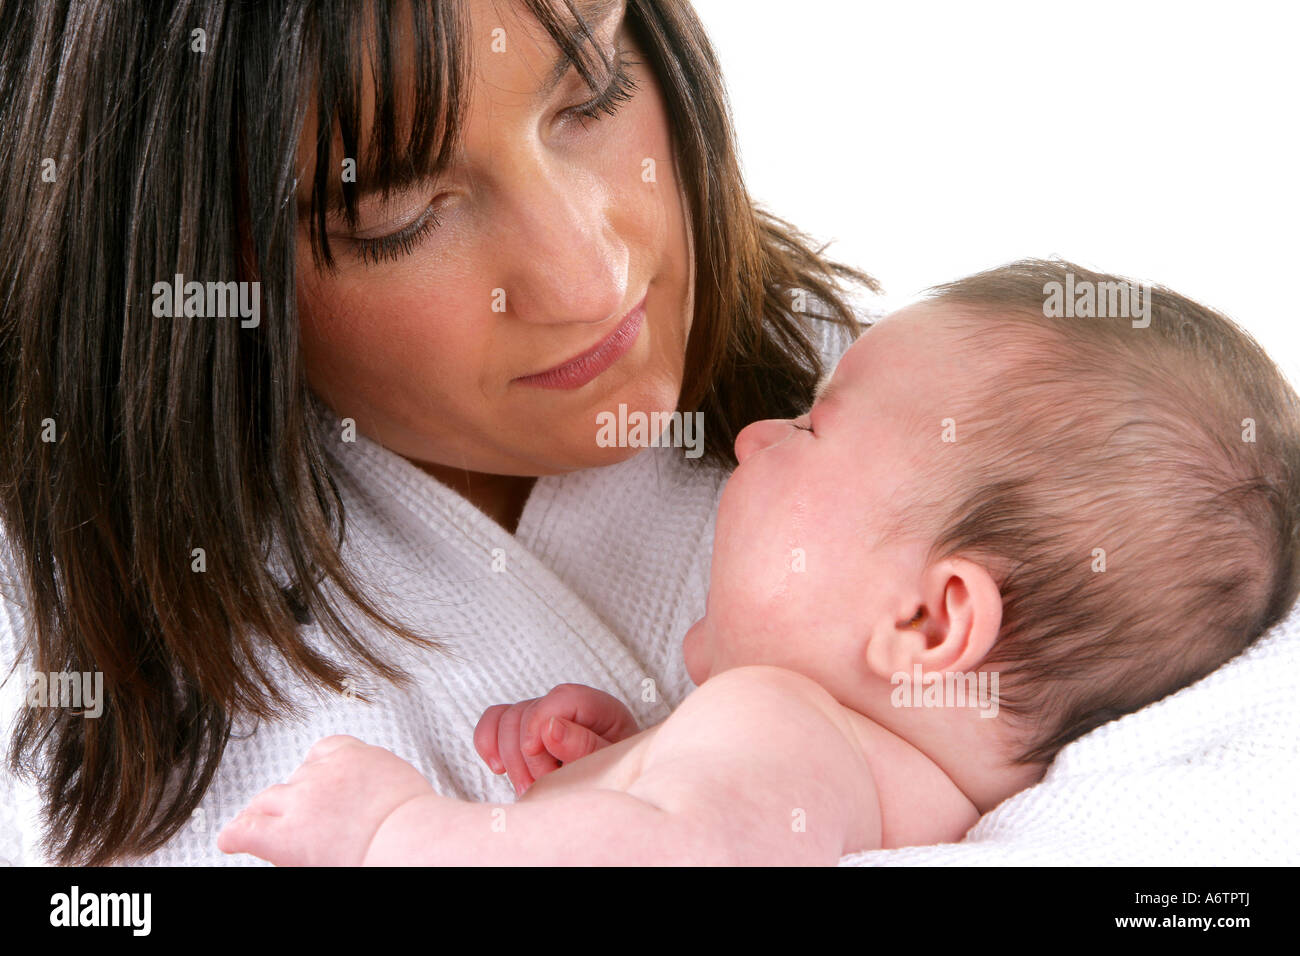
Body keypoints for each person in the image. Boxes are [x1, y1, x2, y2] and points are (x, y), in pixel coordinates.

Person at [0, 0, 874, 865]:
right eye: (403, 215)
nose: (590, 281)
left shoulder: (906, 406)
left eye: (595, 93)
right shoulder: (68, 676)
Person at [214, 260, 1300, 865]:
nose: (752, 435)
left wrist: (399, 830)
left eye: (813, 427)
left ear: (928, 624)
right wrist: (628, 760)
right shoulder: (891, 785)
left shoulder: (782, 725)